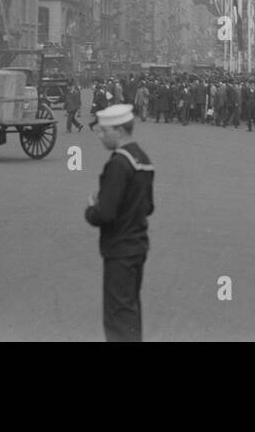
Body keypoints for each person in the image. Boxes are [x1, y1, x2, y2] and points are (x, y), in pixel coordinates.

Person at [84, 104, 155, 342]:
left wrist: (91, 208)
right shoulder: (142, 158)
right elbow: (149, 207)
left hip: (119, 248)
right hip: (138, 245)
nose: (100, 136)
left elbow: (104, 214)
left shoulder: (118, 164)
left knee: (117, 319)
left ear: (119, 130)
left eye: (104, 131)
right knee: (130, 311)